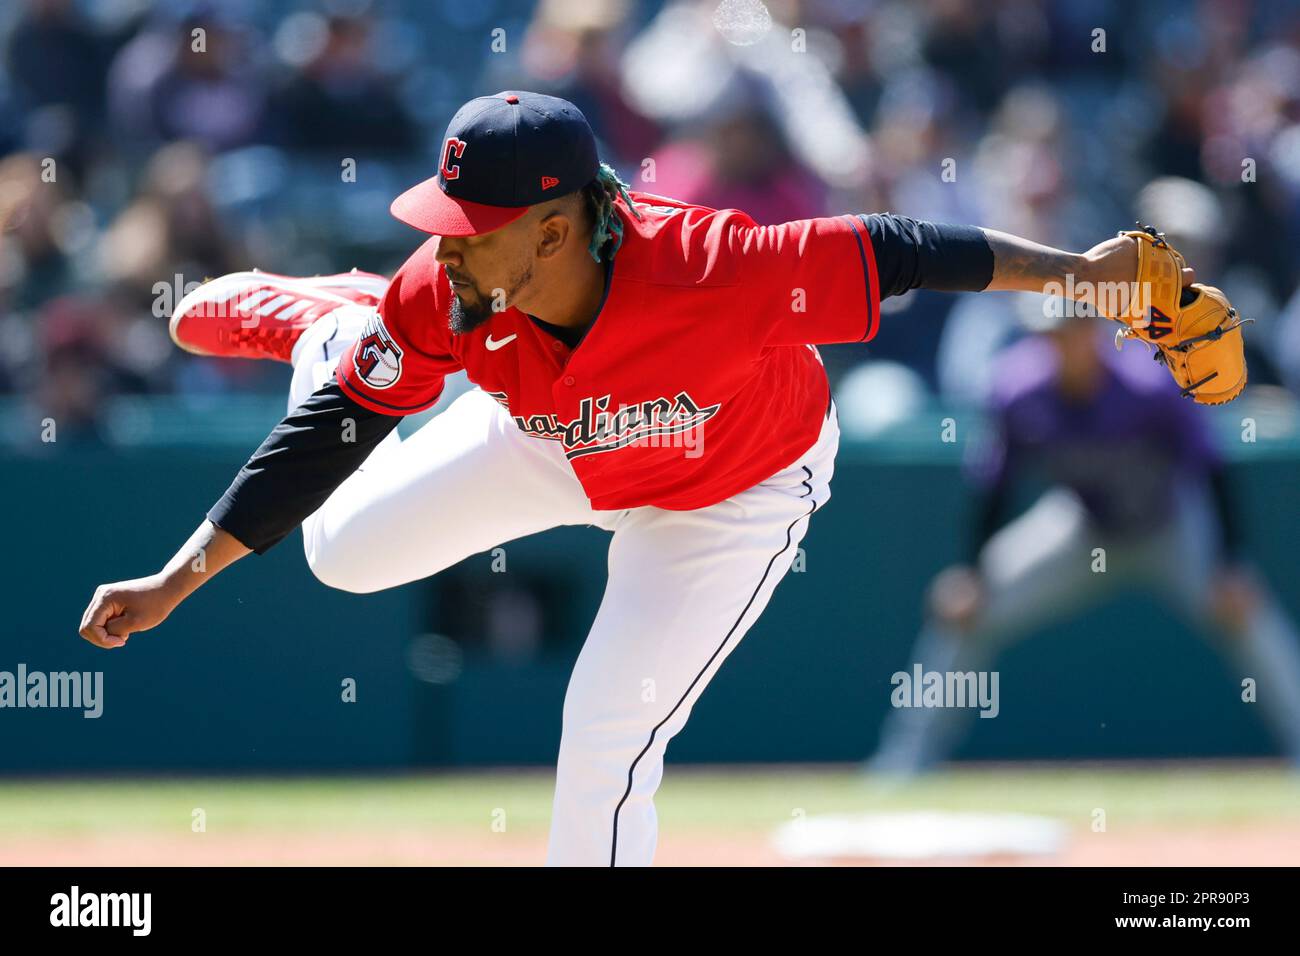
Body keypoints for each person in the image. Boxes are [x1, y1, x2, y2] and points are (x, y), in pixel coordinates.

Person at [78, 90, 1187, 866]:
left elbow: (905, 247)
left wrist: (1080, 273)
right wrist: (182, 575)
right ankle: (342, 331)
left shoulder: (714, 266)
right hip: (553, 437)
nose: (446, 247)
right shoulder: (443, 285)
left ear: (559, 227)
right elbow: (328, 441)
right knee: (342, 550)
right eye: (443, 224)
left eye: (473, 229)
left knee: (607, 727)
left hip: (731, 492)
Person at [868, 303, 1300, 774]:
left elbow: (1212, 468)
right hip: (1082, 528)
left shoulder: (1148, 384)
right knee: (968, 611)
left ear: (1093, 331)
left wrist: (1230, 562)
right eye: (1050, 334)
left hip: (1172, 527)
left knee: (1247, 613)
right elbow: (996, 486)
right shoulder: (1019, 388)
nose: (1061, 344)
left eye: (1070, 331)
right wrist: (971, 572)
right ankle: (905, 762)